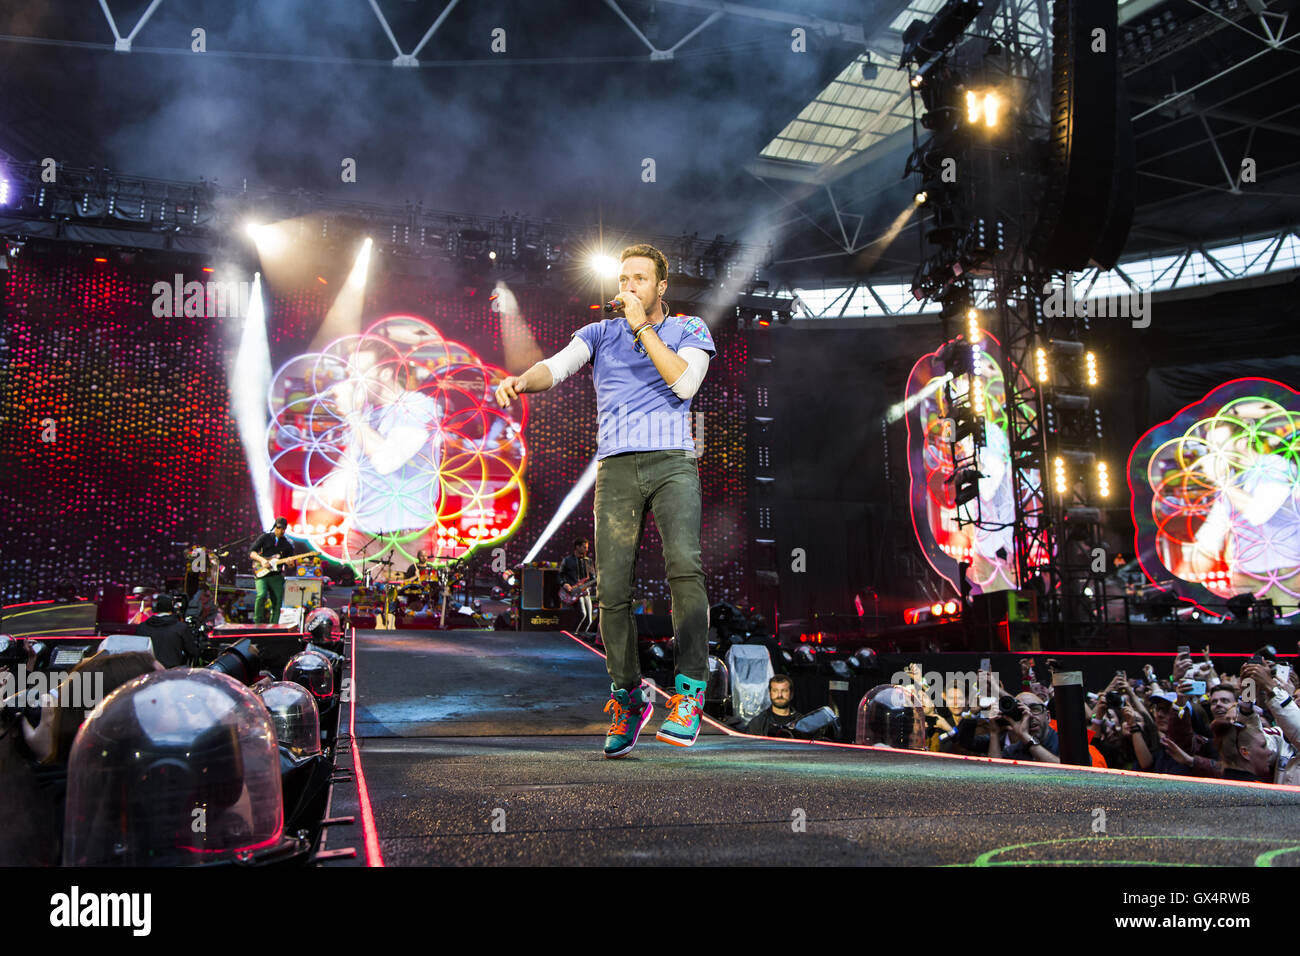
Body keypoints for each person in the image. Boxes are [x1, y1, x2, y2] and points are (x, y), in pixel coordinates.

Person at [494, 243, 716, 757]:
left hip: (671, 462)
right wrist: (522, 381)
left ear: (661, 286)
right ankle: (628, 693)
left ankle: (689, 691)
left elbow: (684, 384)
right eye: (623, 278)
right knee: (612, 587)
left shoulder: (689, 329)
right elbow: (558, 365)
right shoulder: (598, 333)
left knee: (685, 568)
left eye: (640, 278)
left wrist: (643, 328)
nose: (628, 287)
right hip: (616, 468)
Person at [249, 517, 299, 624]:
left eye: (283, 529)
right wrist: (262, 560)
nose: (280, 531)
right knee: (261, 595)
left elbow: (291, 565)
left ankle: (274, 625)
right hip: (261, 574)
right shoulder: (265, 538)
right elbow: (252, 553)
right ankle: (257, 622)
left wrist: (290, 563)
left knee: (277, 600)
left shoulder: (287, 545)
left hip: (276, 575)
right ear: (274, 527)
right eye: (278, 528)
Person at [135, 593, 199, 668]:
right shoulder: (181, 628)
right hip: (171, 674)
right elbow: (193, 651)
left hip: (147, 672)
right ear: (173, 608)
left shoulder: (142, 627)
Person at [559, 537, 597, 635]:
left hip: (585, 592)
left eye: (587, 547)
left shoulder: (588, 561)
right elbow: (560, 575)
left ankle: (582, 638)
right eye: (584, 547)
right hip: (574, 591)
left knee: (589, 619)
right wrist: (565, 584)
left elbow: (593, 578)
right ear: (577, 547)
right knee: (582, 614)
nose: (587, 550)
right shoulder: (567, 560)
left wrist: (597, 580)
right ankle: (572, 635)